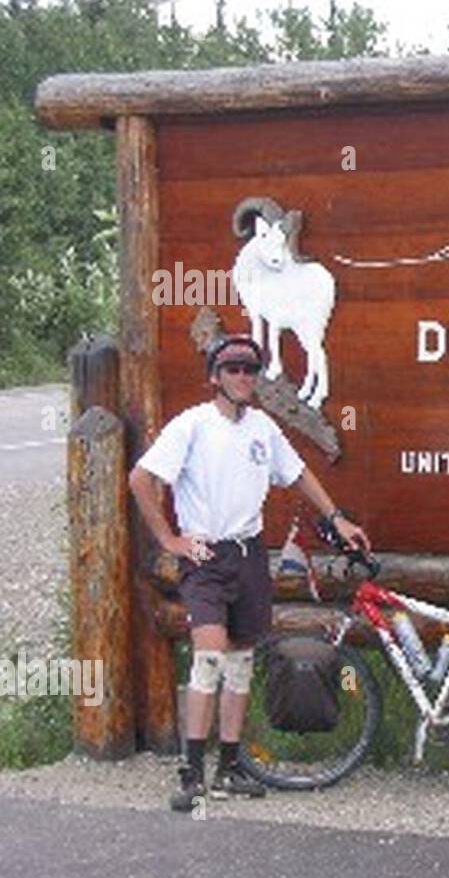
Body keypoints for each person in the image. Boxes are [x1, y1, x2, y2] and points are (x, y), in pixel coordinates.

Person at [128, 334, 370, 812]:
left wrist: (336, 516)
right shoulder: (193, 425)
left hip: (249, 554)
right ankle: (192, 771)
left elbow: (298, 473)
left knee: (240, 663)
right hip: (206, 557)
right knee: (210, 659)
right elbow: (141, 478)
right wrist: (169, 540)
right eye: (233, 368)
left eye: (251, 369)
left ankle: (231, 766)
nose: (243, 376)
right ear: (215, 376)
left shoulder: (262, 427)